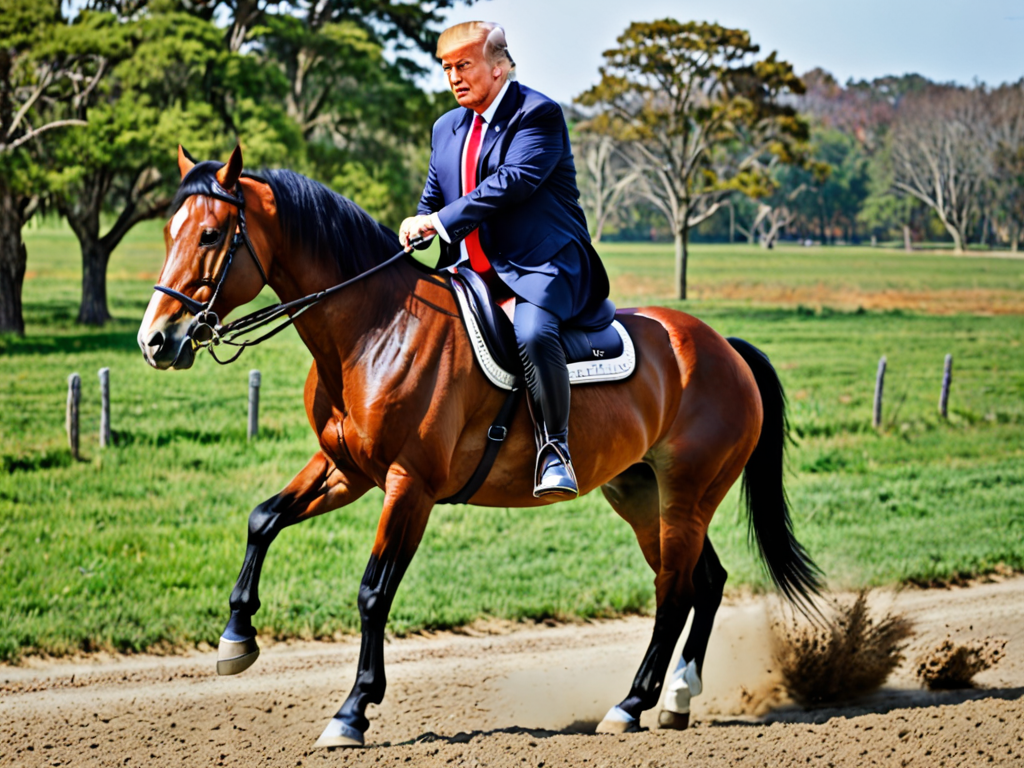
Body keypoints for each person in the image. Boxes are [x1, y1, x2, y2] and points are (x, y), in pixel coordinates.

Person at [399, 21, 611, 499]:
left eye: (463, 65)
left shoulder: (539, 114)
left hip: (544, 266)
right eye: (446, 68)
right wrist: (417, 223)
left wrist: (438, 220)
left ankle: (555, 450)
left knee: (533, 333)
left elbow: (511, 182)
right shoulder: (446, 127)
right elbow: (434, 196)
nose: (453, 77)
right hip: (472, 271)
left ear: (498, 67)